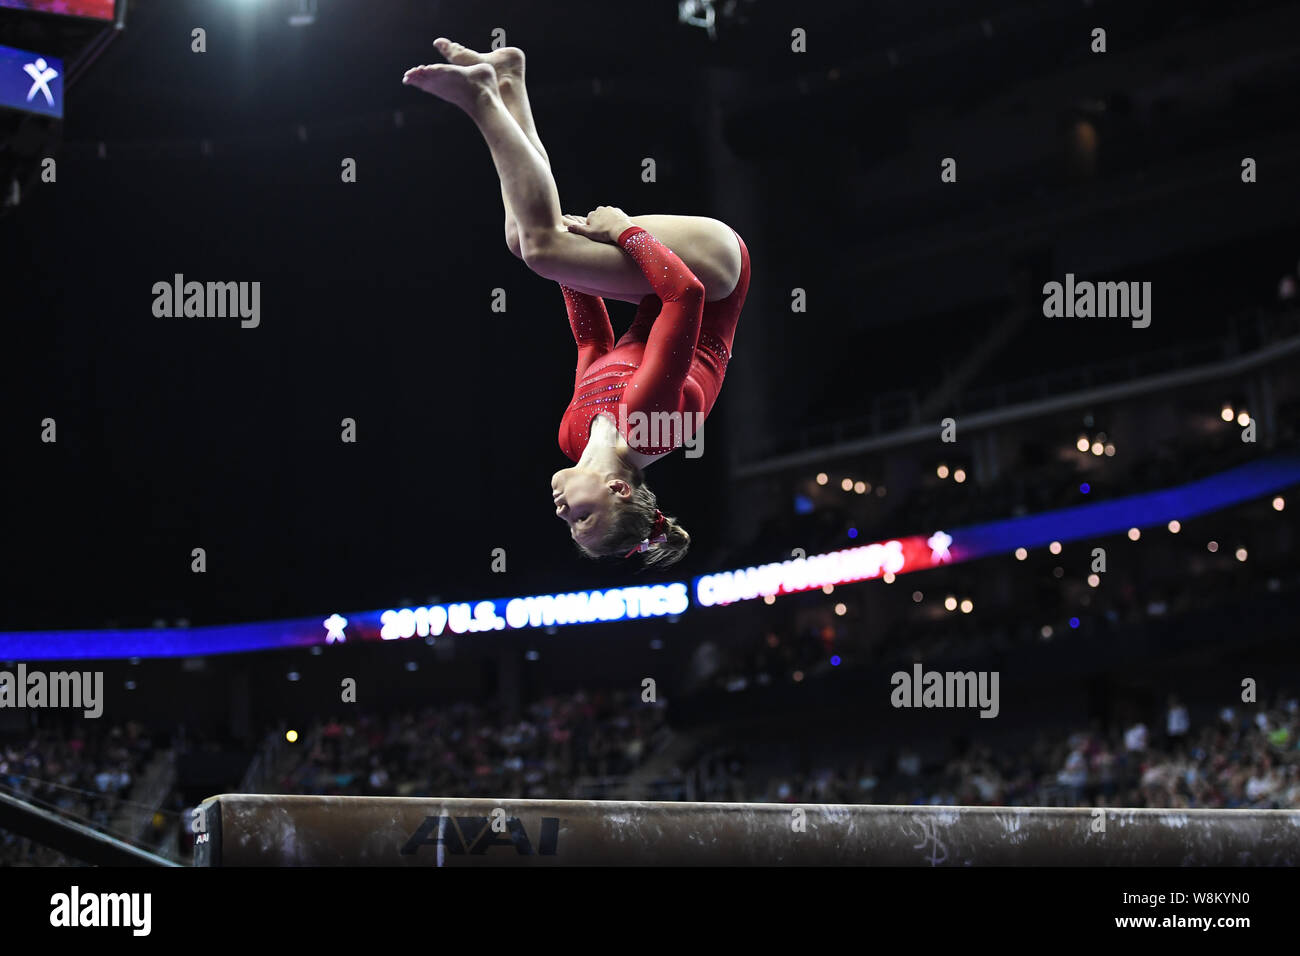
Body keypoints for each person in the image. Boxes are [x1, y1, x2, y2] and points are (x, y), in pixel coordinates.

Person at [403, 39, 751, 567]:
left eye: (568, 525)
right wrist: (624, 232)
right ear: (619, 490)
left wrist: (568, 267)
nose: (563, 512)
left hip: (663, 285)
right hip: (717, 268)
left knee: (528, 241)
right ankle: (481, 98)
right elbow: (688, 296)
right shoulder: (651, 425)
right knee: (541, 247)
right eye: (581, 518)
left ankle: (508, 80)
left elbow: (593, 339)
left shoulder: (572, 436)